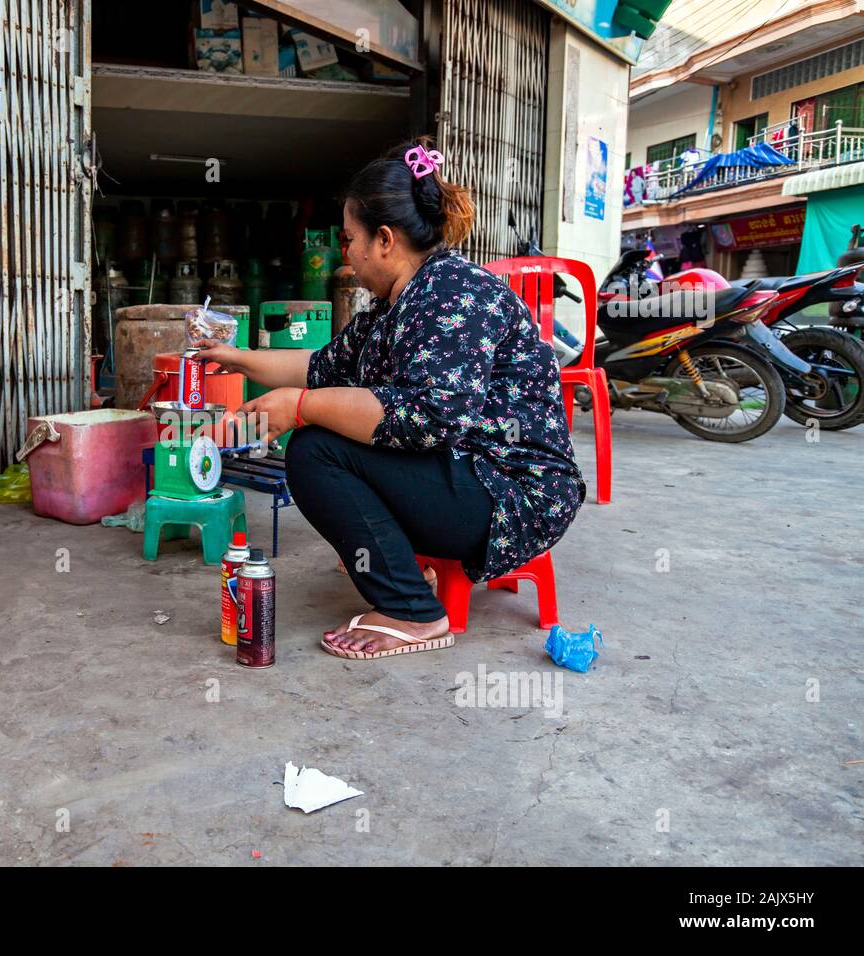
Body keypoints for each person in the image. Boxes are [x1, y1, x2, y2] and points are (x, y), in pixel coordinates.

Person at [196, 137, 585, 661]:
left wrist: (299, 407)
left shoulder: (453, 293)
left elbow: (427, 419)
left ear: (383, 239)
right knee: (327, 428)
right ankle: (409, 568)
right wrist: (238, 357)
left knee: (314, 449)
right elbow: (318, 366)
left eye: (350, 238)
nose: (346, 253)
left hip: (513, 492)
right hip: (467, 469)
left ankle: (411, 611)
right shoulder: (394, 305)